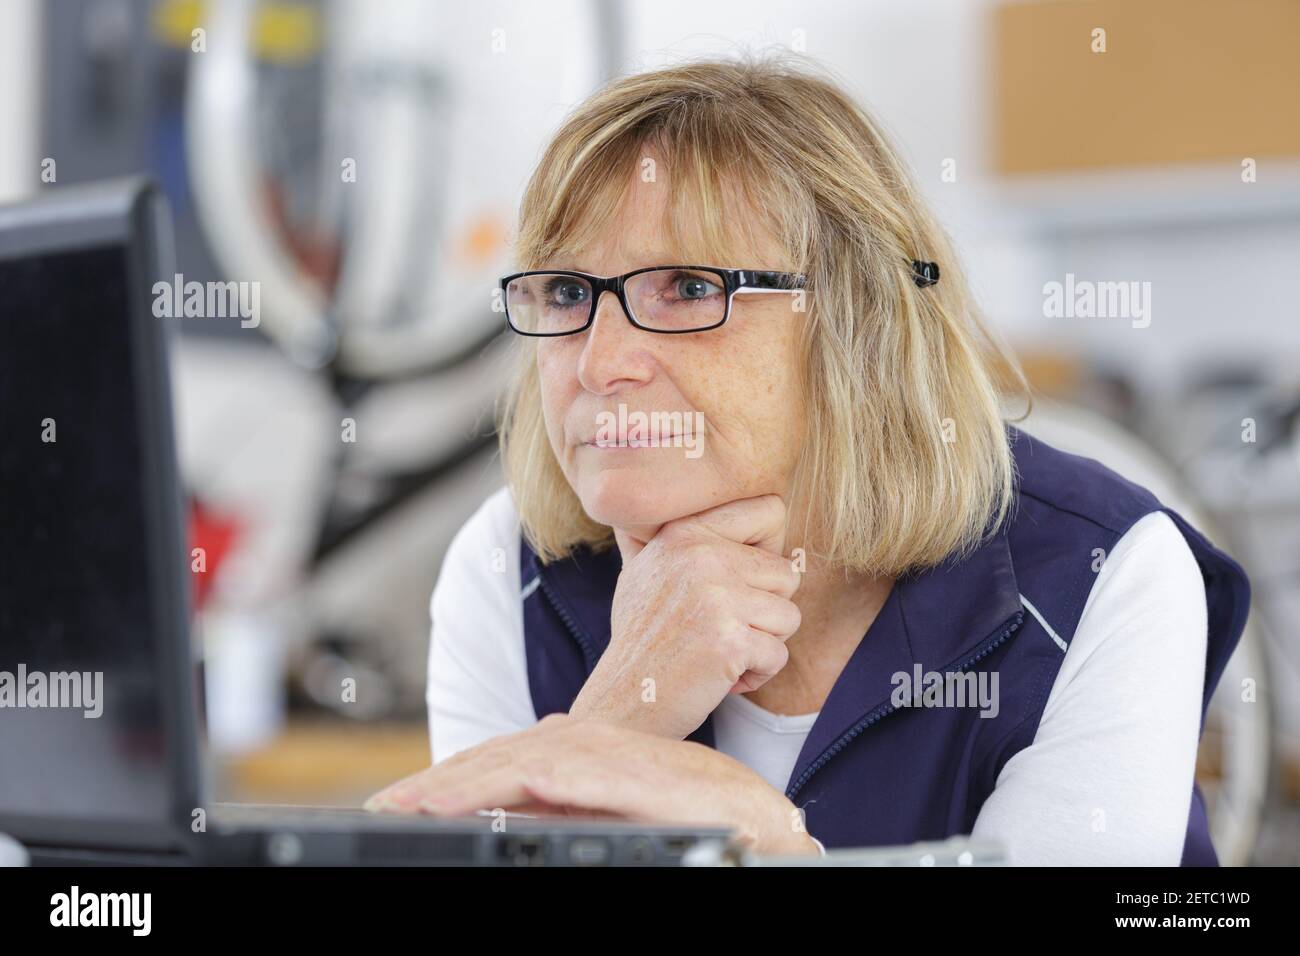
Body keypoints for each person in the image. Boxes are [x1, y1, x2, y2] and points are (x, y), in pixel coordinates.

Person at [365, 54, 1249, 864]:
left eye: (689, 288)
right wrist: (625, 714)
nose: (598, 363)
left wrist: (762, 835)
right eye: (565, 291)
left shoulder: (1109, 573)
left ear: (855, 323)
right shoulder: (504, 569)